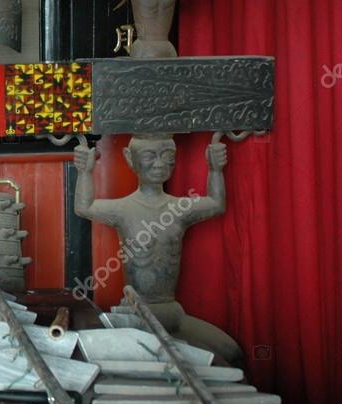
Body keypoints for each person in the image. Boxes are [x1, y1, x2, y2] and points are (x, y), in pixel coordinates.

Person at [74, 134, 242, 364]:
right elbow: (85, 207)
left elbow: (216, 203)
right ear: (130, 159)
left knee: (232, 353)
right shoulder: (123, 209)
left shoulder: (179, 208)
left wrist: (215, 169)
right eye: (150, 156)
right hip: (137, 314)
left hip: (173, 313)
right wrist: (84, 171)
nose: (160, 163)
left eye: (167, 156)